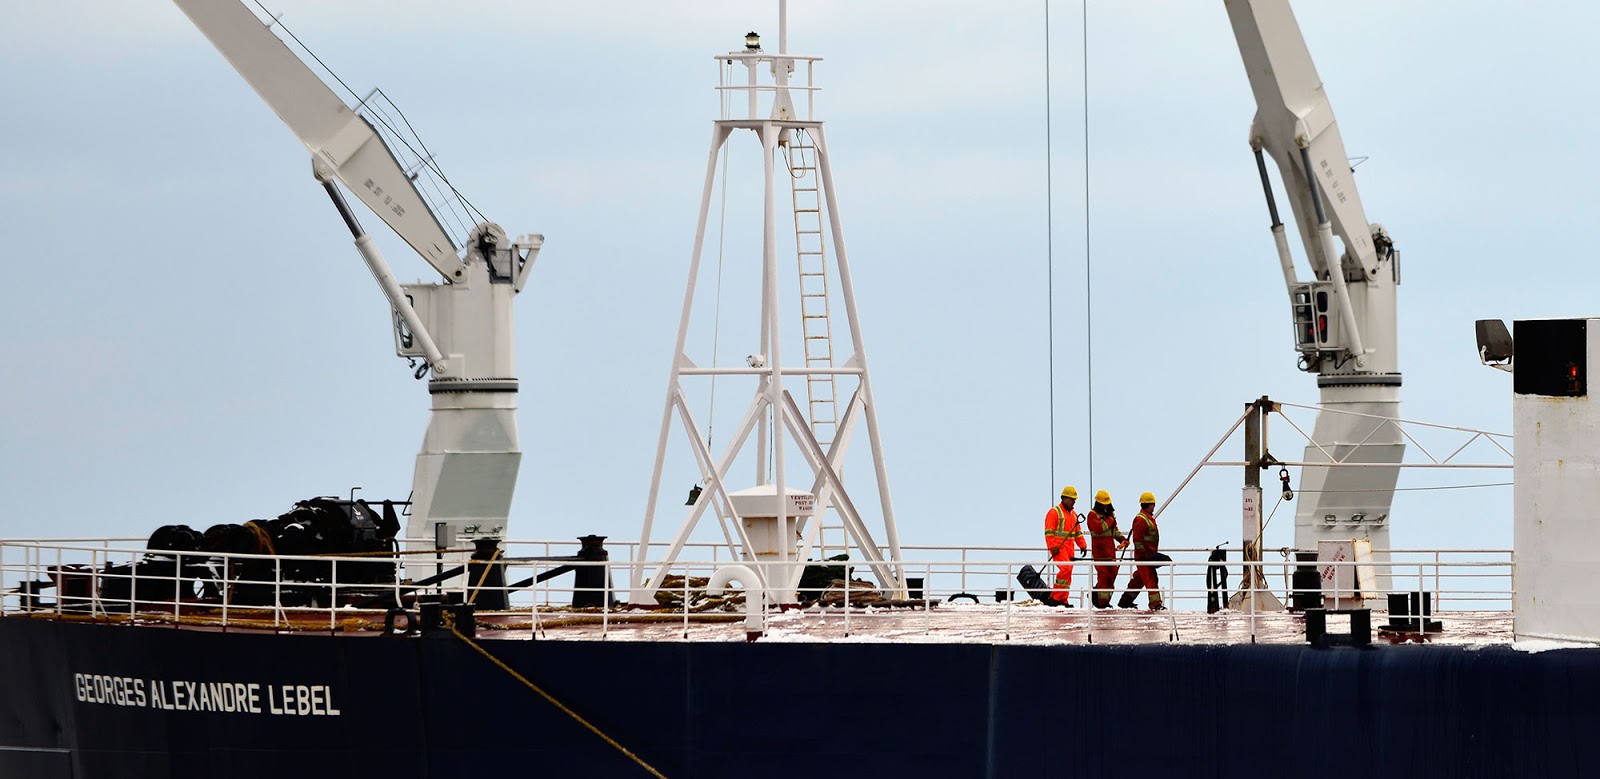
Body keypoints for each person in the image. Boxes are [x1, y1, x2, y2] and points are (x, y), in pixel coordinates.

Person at [1118, 492, 1167, 610]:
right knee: (1151, 579)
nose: (1154, 506)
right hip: (1144, 557)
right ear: (1149, 504)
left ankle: (1125, 601)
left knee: (1139, 580)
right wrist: (1145, 556)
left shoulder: (1147, 518)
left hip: (1148, 555)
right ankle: (1155, 604)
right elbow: (1138, 540)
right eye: (1153, 504)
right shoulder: (1141, 519)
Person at [1044, 486, 1088, 605]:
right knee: (1065, 570)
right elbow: (1049, 532)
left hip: (1069, 549)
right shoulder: (1054, 512)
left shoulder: (1074, 515)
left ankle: (1063, 599)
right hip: (1059, 548)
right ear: (1064, 498)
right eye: (1071, 499)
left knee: (1068, 574)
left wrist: (1082, 545)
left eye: (1075, 499)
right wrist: (1052, 547)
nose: (1074, 501)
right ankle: (1056, 598)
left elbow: (1078, 533)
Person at [1085, 490, 1128, 608]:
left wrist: (1122, 539)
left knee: (1112, 575)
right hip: (1100, 552)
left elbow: (1115, 531)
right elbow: (1099, 528)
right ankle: (1102, 603)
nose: (1106, 505)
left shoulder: (1109, 516)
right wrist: (1110, 520)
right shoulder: (1092, 515)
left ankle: (1098, 595)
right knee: (1104, 576)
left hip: (1110, 552)